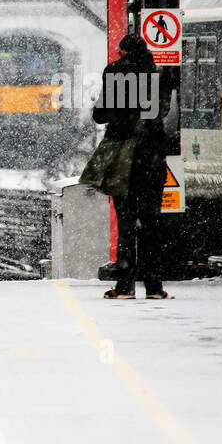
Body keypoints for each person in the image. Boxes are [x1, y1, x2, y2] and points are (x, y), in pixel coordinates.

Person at [92, 33, 171, 300]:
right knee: (151, 223)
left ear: (123, 52)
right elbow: (162, 111)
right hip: (152, 157)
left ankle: (125, 286)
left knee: (126, 223)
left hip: (124, 159)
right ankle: (155, 287)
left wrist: (120, 114)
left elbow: (100, 115)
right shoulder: (159, 73)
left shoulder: (114, 72)